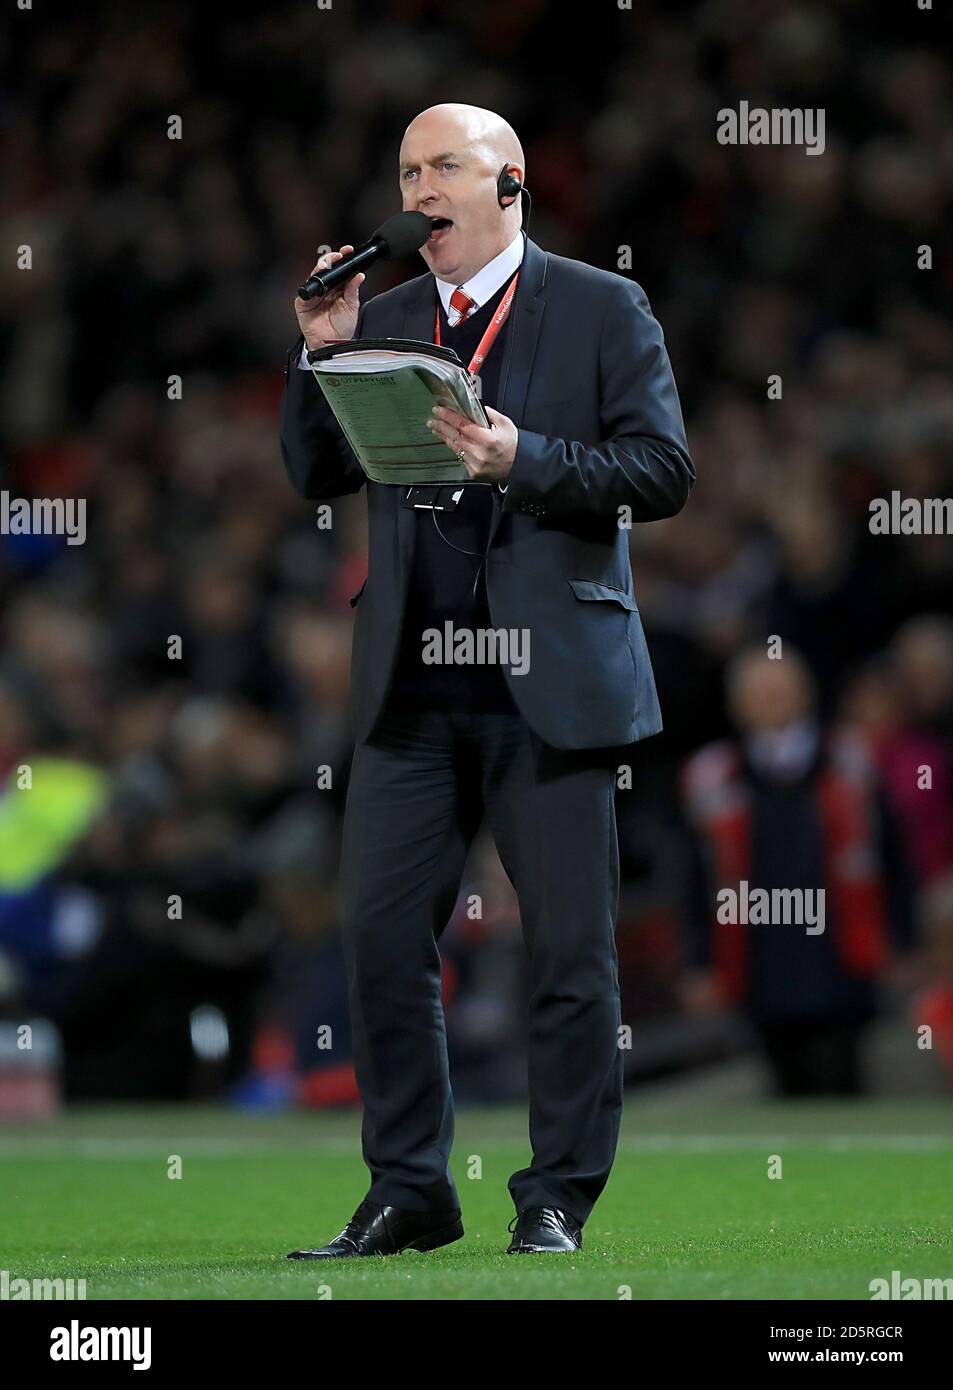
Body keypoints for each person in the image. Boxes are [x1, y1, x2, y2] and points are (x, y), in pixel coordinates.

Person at [280, 103, 693, 1258]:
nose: (419, 189)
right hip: (411, 685)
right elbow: (310, 470)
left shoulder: (602, 305)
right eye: (407, 169)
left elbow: (661, 470)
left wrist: (527, 459)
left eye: (444, 167)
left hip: (546, 682)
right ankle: (408, 1185)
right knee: (376, 939)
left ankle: (555, 1193)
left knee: (566, 949)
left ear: (508, 184)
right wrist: (321, 343)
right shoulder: (388, 314)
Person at [680, 647, 914, 1096]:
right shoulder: (712, 777)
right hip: (758, 960)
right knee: (782, 1086)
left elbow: (894, 858)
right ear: (738, 705)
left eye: (781, 691)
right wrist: (699, 963)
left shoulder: (851, 761)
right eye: (760, 694)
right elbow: (695, 879)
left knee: (845, 1079)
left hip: (841, 954)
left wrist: (903, 938)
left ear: (806, 695)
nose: (772, 703)